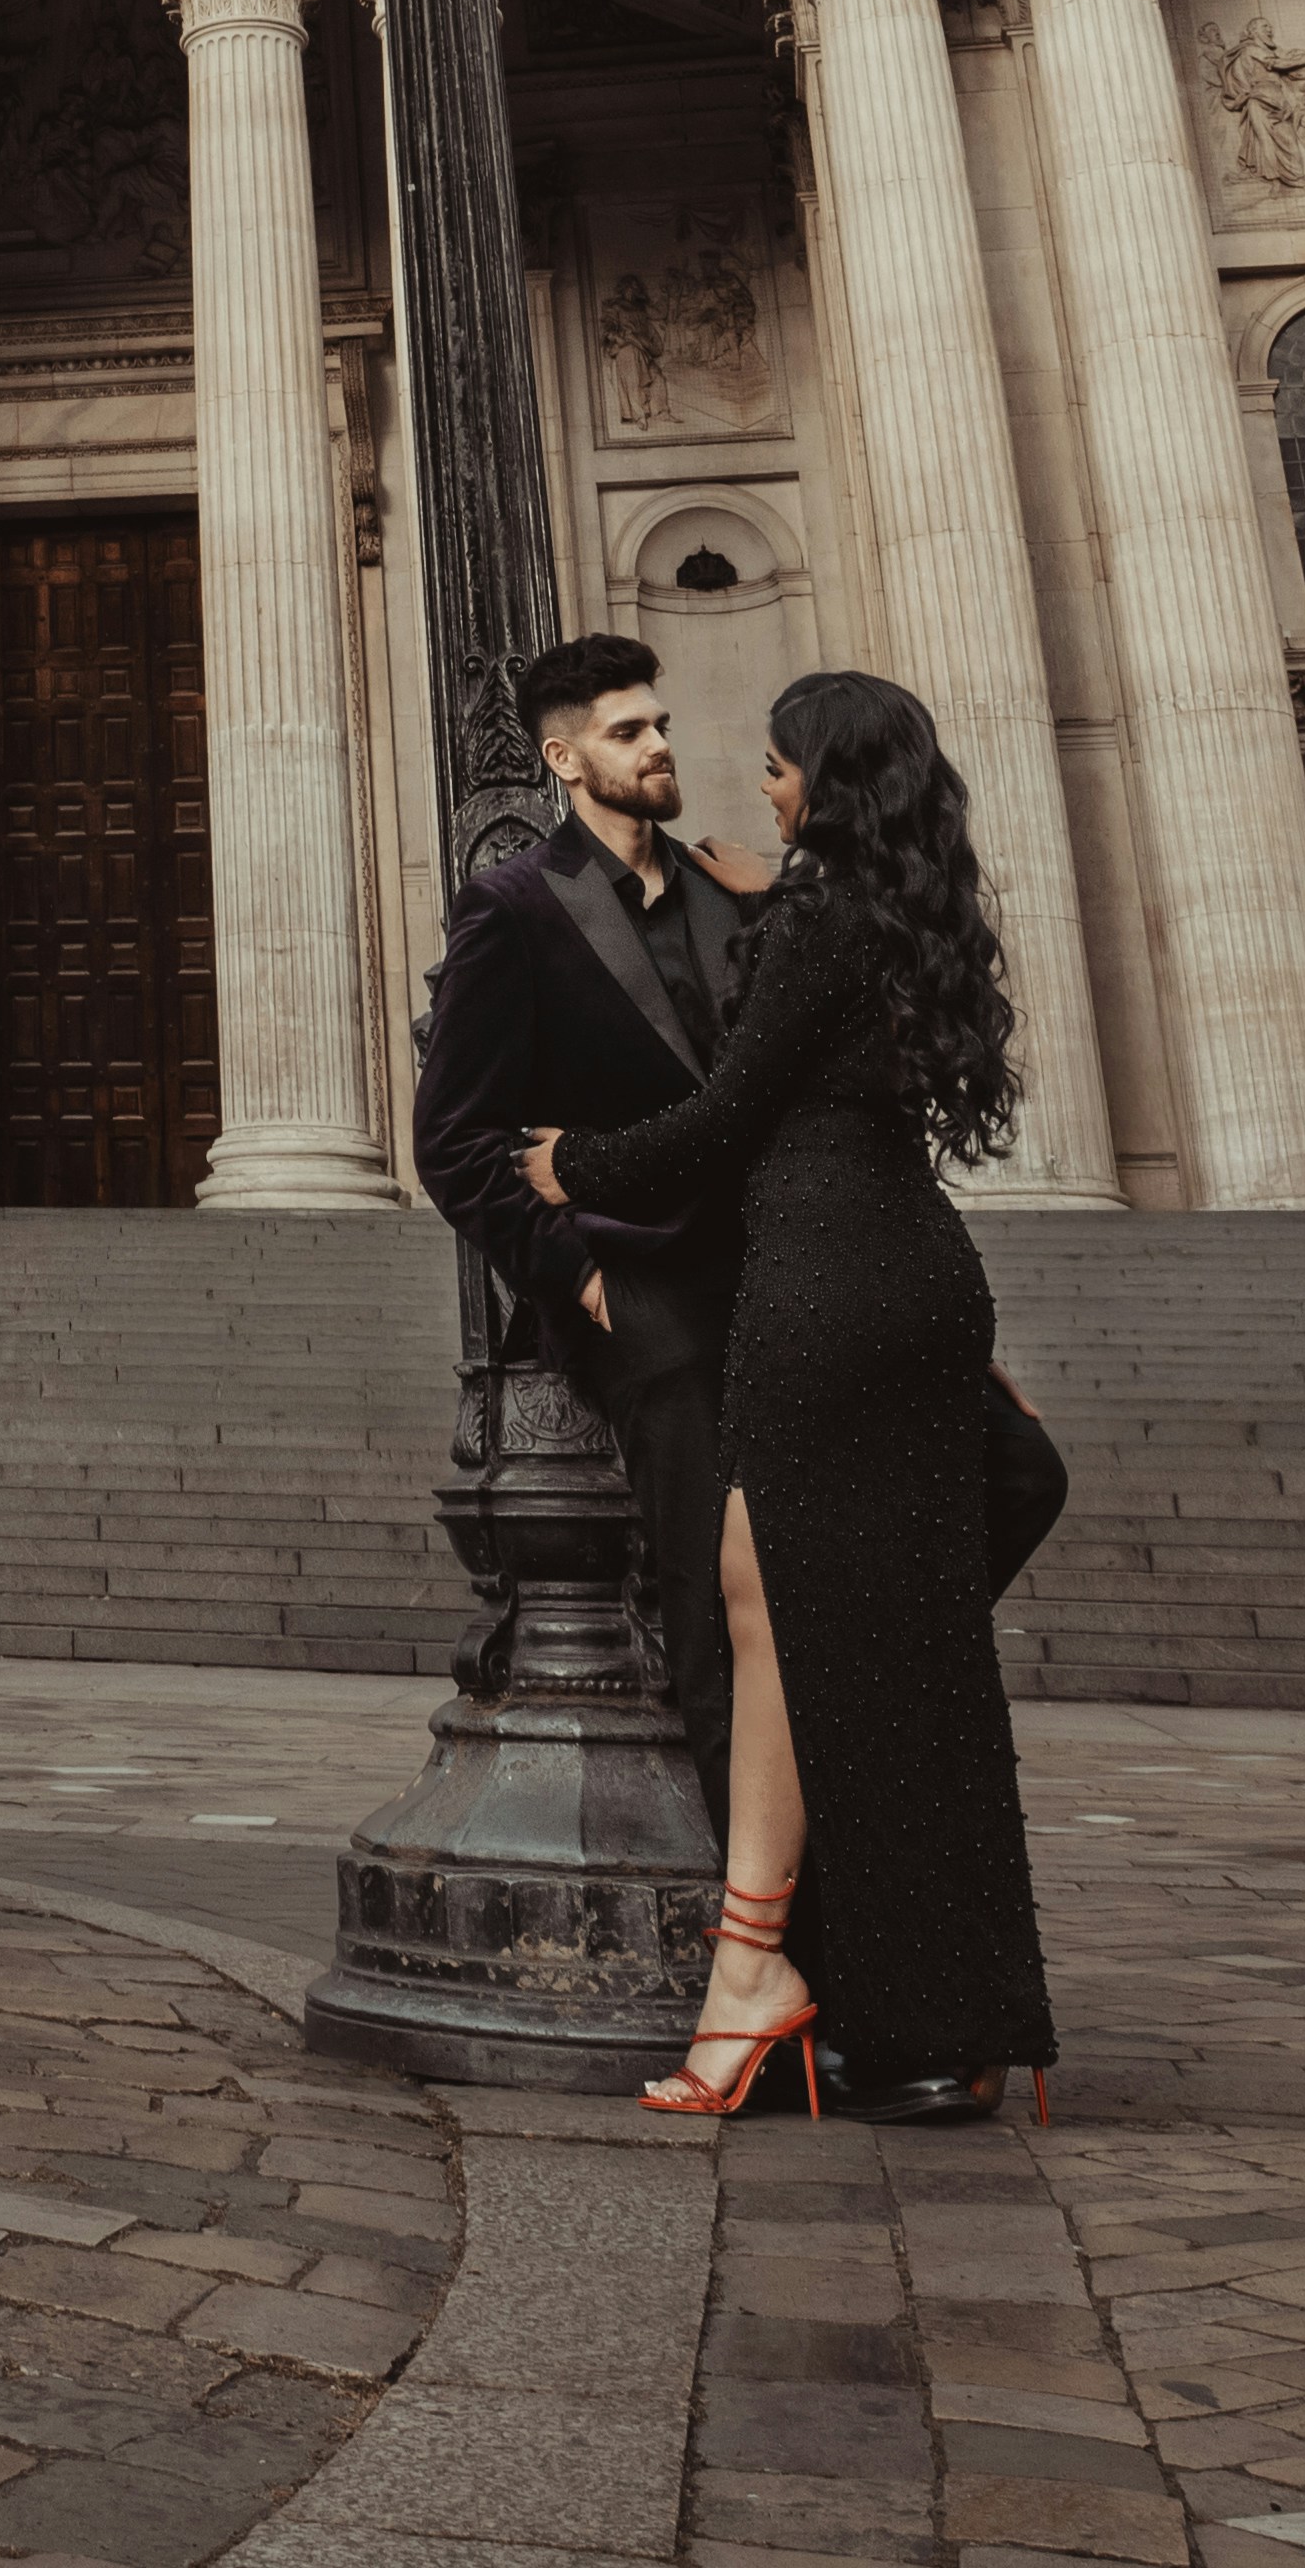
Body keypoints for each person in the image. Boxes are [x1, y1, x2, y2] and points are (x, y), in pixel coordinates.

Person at [514, 666, 1062, 2126]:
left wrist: (574, 1168)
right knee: (796, 1612)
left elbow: (728, 1117)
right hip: (909, 1272)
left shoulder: (816, 915)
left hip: (823, 1289)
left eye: (775, 765)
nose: (754, 784)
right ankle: (820, 1984)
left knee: (836, 1639)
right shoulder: (896, 908)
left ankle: (815, 1988)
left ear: (823, 777)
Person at [407, 637, 764, 1773]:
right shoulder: (513, 907)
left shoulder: (724, 889)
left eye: (658, 723)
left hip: (774, 1264)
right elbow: (453, 1141)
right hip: (641, 1284)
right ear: (562, 757)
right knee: (710, 1584)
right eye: (628, 731)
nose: (659, 744)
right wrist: (578, 1273)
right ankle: (735, 1880)